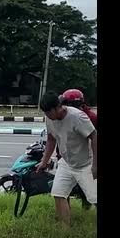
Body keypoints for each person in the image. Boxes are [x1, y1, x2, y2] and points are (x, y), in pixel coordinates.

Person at [35, 92, 97, 226]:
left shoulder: (77, 117)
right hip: (67, 163)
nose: (47, 116)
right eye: (45, 113)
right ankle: (65, 228)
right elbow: (51, 139)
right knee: (58, 193)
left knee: (95, 199)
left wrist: (95, 165)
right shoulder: (49, 118)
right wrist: (44, 162)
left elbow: (94, 136)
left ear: (58, 107)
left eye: (49, 113)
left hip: (86, 164)